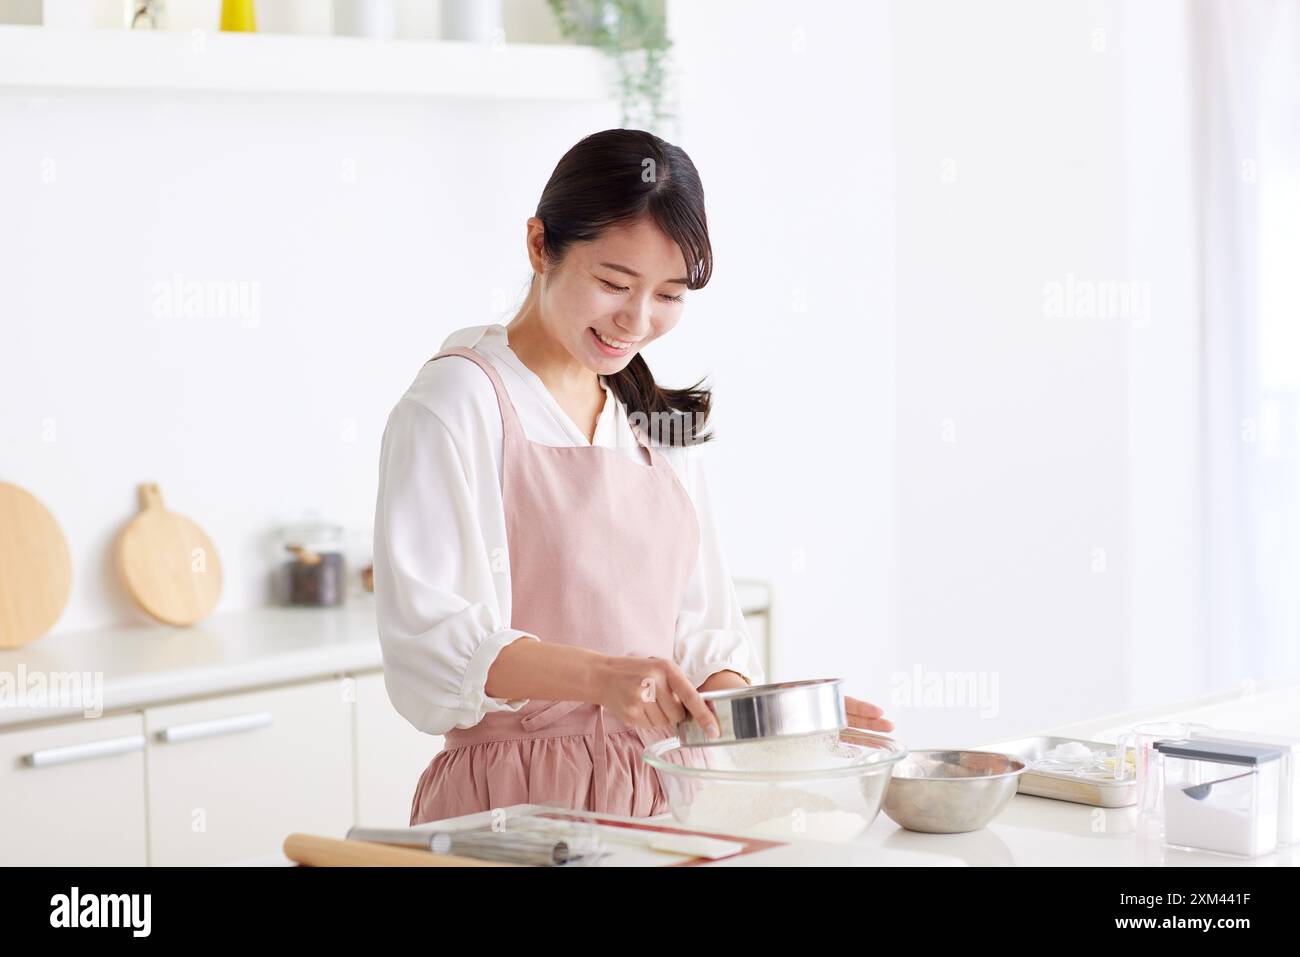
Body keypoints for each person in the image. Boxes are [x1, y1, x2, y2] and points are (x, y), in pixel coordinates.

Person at [373, 129, 894, 826]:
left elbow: (706, 632)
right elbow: (430, 647)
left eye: (668, 295)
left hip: (670, 797)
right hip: (516, 804)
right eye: (613, 283)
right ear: (539, 246)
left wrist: (764, 721)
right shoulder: (458, 403)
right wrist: (600, 678)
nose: (636, 320)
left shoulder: (656, 427)